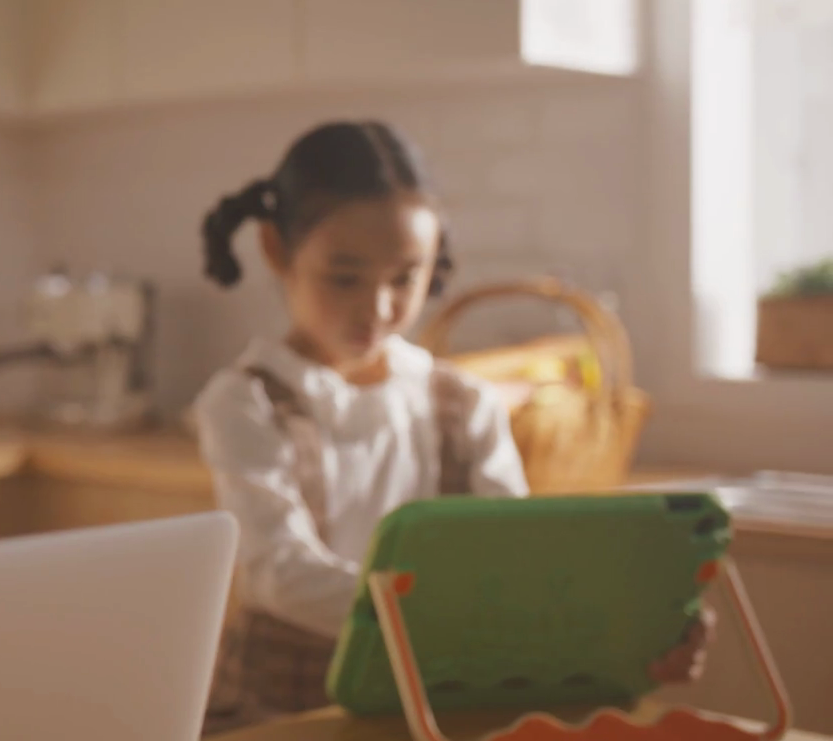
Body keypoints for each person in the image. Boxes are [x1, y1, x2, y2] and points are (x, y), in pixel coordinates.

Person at [189, 121, 707, 729]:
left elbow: (518, 556)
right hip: (283, 711)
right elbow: (279, 571)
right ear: (277, 251)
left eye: (405, 278)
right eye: (345, 276)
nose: (379, 308)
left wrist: (631, 624)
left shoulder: (464, 402)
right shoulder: (244, 402)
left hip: (432, 712)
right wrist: (451, 613)